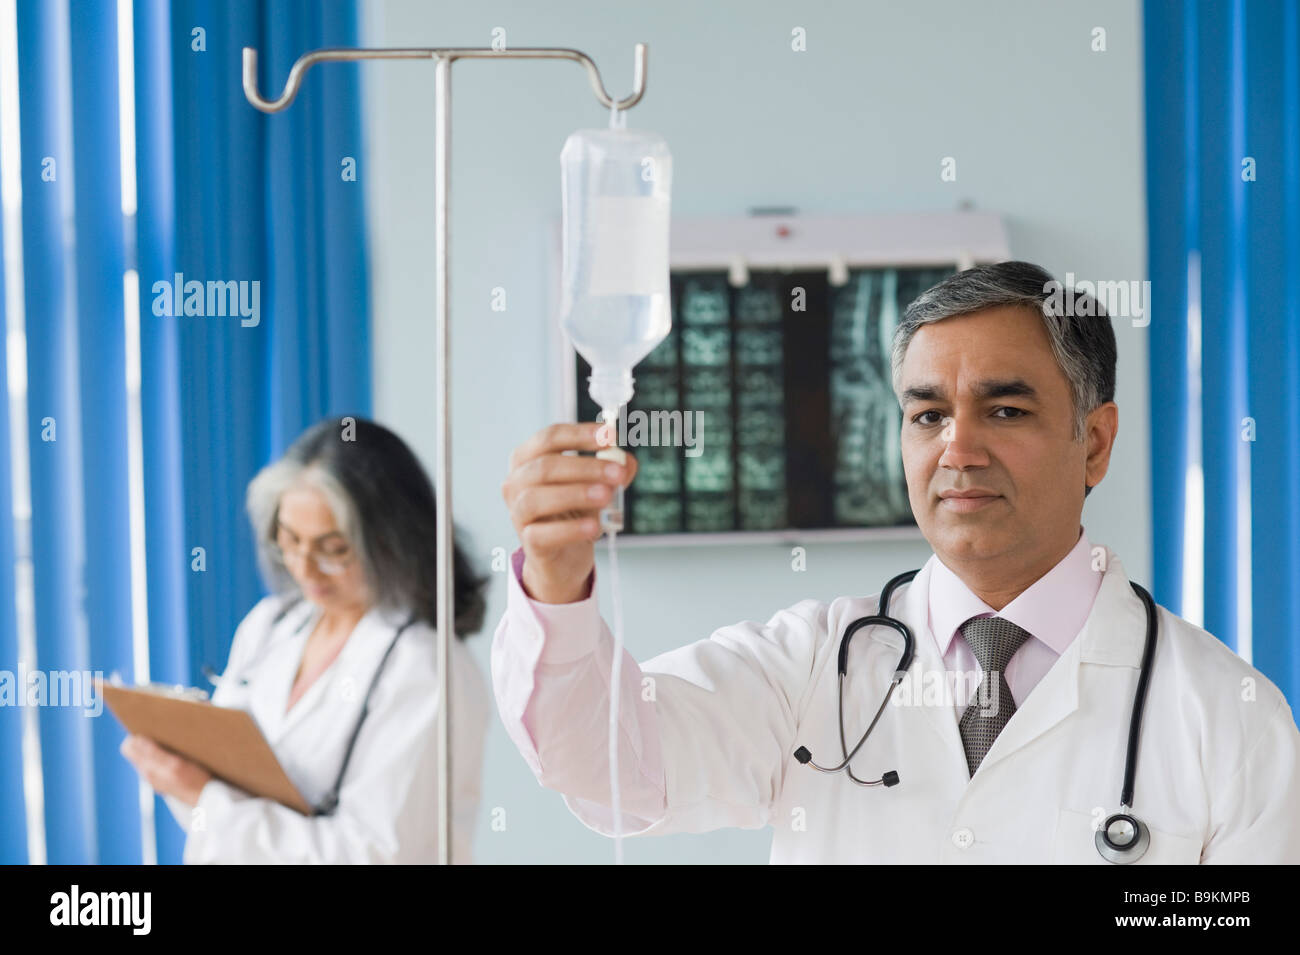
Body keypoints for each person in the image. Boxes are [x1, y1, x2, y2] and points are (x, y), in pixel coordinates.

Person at [492, 261, 1300, 864]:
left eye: (1005, 409)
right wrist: (557, 584)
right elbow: (607, 762)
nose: (958, 448)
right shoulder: (809, 665)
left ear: (1093, 440)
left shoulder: (1226, 717)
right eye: (927, 413)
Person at [121, 416, 491, 863]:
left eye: (333, 549)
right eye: (290, 541)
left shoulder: (428, 668)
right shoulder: (270, 625)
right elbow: (222, 813)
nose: (305, 569)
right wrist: (179, 771)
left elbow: (373, 854)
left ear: (393, 541)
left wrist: (202, 798)